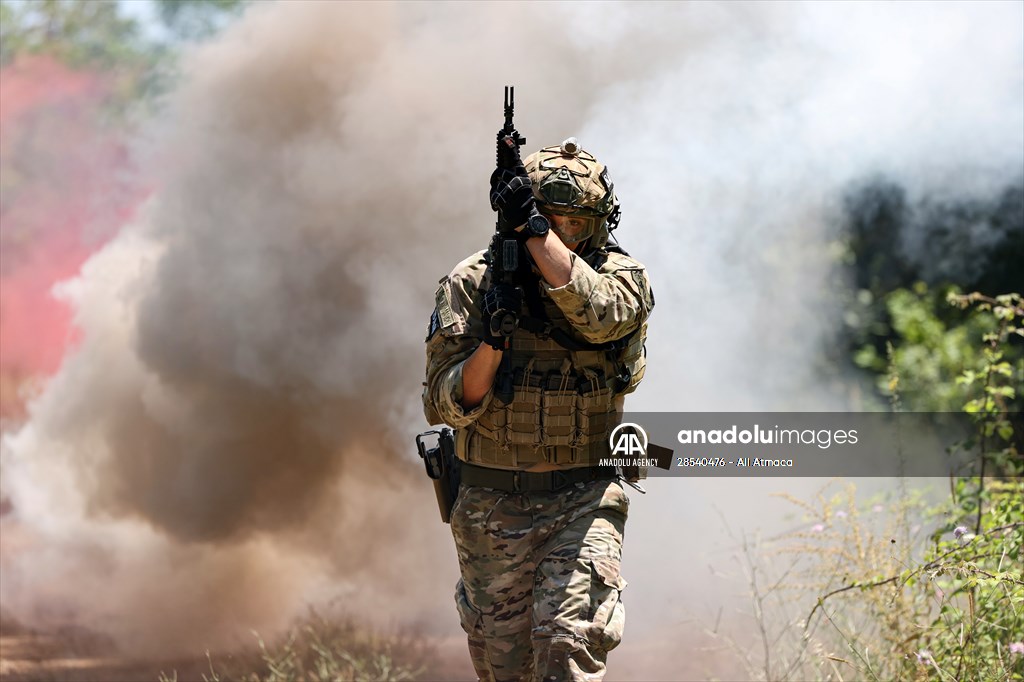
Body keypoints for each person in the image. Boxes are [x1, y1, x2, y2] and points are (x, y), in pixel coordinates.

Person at [422, 132, 654, 682]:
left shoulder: (622, 279)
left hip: (584, 497)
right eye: (553, 220)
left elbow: (602, 316)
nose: (563, 232)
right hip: (491, 505)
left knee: (566, 647)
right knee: (505, 667)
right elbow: (444, 404)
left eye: (575, 223)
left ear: (598, 224)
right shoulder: (473, 282)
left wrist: (534, 230)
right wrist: (494, 343)